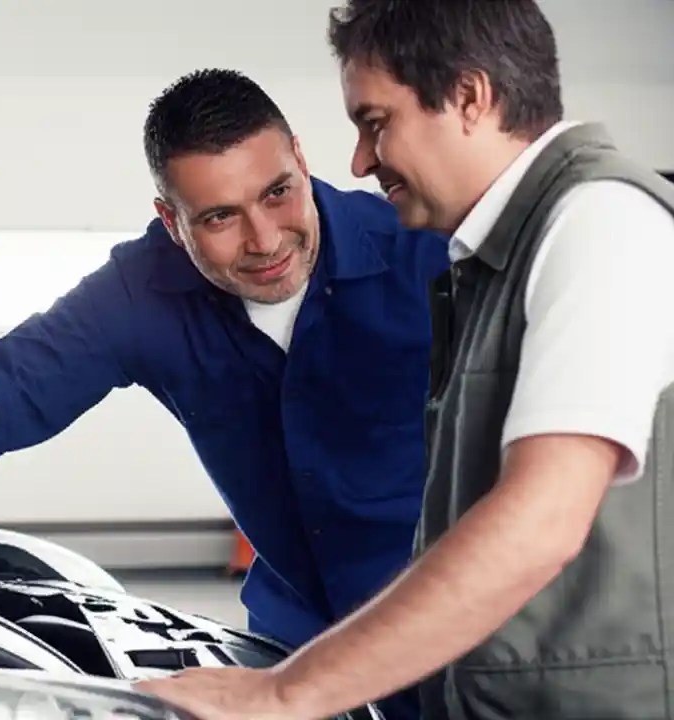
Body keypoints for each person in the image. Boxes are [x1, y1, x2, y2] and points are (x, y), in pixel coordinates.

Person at [0, 69, 448, 719]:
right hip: (286, 641)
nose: (263, 238)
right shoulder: (142, 291)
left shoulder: (426, 251)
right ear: (171, 221)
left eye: (277, 194)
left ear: (301, 163)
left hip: (453, 632)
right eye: (219, 217)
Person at [137, 2, 674, 719]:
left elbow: (539, 521)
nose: (359, 161)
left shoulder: (597, 224)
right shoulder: (491, 261)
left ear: (468, 97)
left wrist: (286, 691)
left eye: (376, 122)